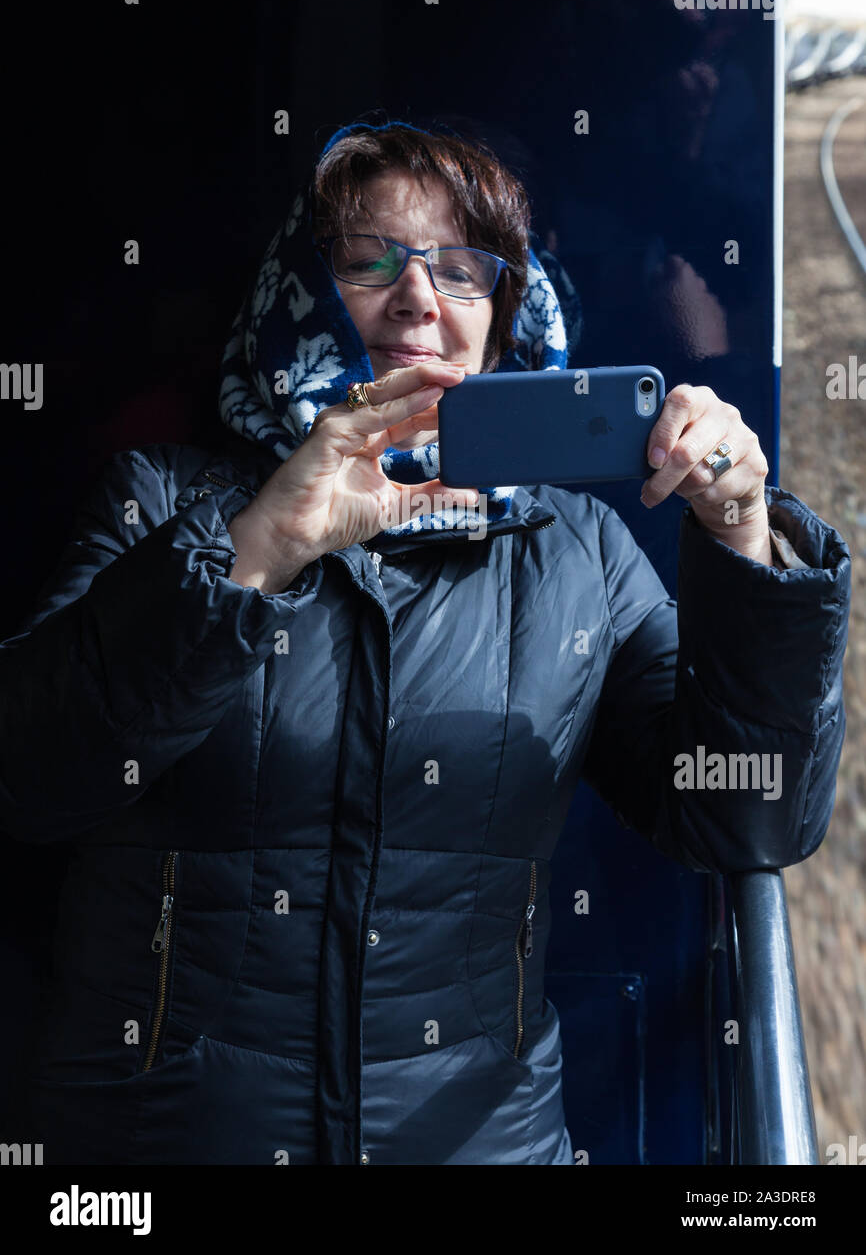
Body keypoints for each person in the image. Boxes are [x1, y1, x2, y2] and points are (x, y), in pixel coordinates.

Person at [0, 118, 850, 1166]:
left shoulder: (574, 549)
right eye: (371, 261)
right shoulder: (167, 502)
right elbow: (28, 778)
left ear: (501, 323)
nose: (416, 299)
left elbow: (745, 815)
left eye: (461, 271)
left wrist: (742, 538)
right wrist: (256, 546)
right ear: (302, 296)